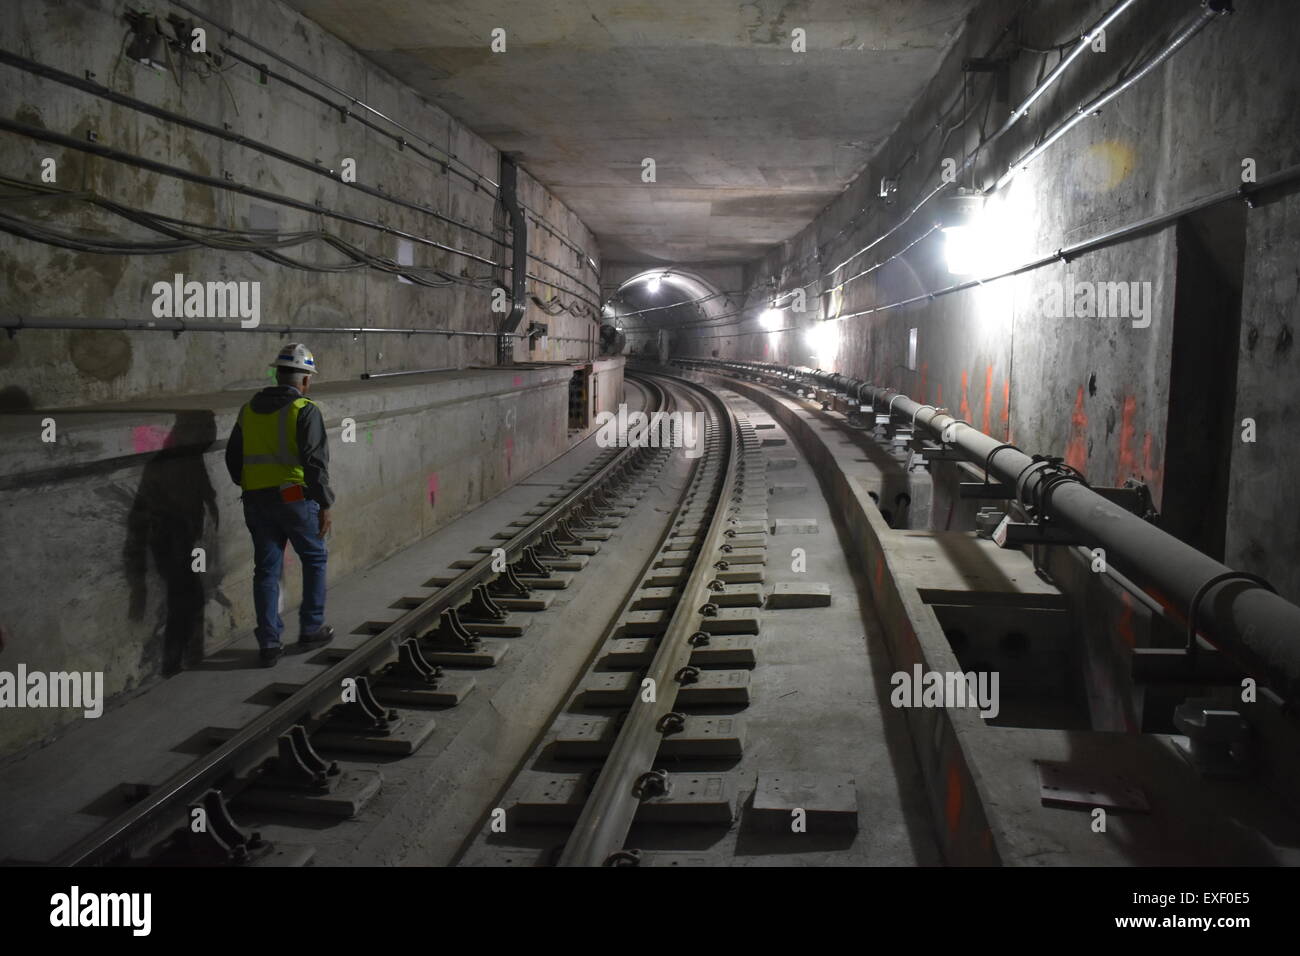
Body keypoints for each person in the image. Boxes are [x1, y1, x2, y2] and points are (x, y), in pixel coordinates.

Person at [225, 343, 335, 666]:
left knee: (266, 570)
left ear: (278, 375)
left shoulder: (248, 410)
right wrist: (324, 504)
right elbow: (316, 465)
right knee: (315, 558)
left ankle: (270, 644)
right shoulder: (305, 409)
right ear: (304, 380)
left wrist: (255, 486)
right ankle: (311, 627)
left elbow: (234, 459)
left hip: (255, 499)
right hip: (293, 497)